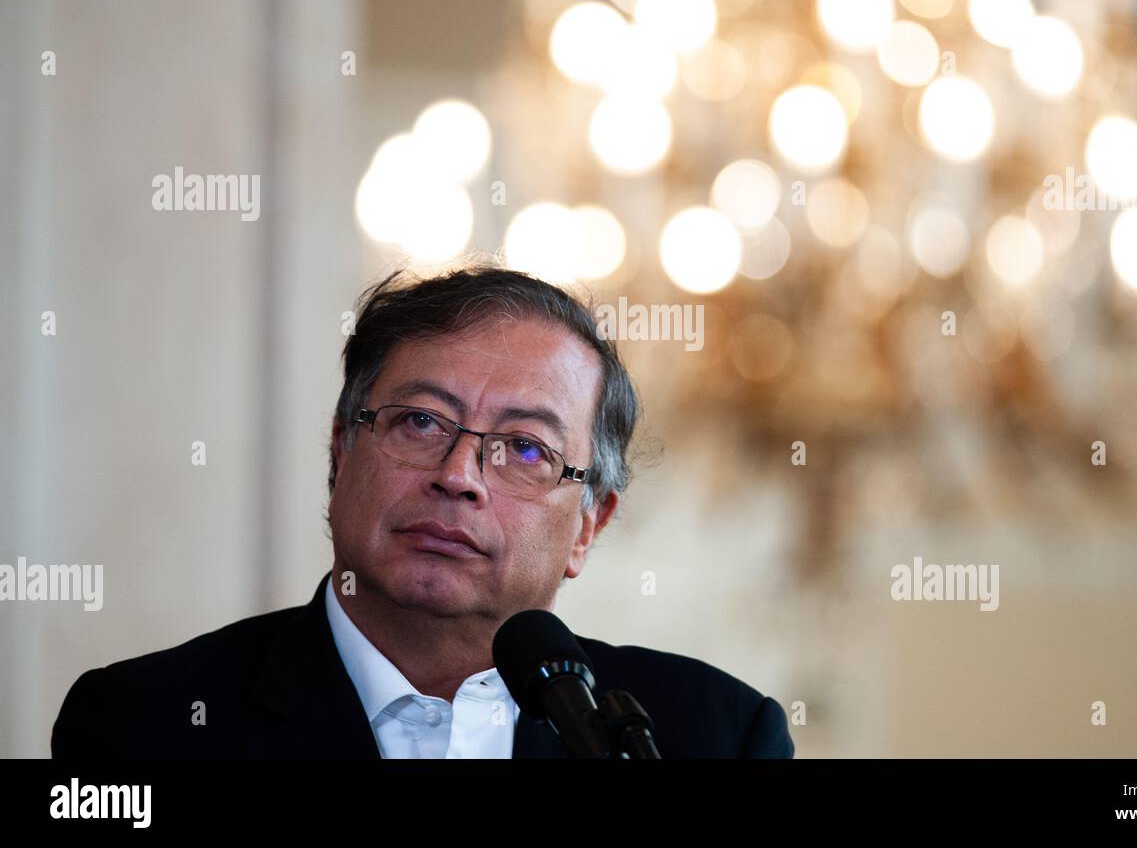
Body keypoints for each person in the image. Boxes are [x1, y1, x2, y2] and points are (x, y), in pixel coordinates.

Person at [52, 265, 794, 758]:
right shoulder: (142, 724)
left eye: (525, 448)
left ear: (588, 525)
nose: (458, 476)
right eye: (420, 422)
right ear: (341, 453)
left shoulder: (716, 735)